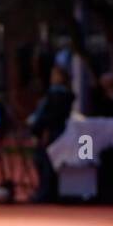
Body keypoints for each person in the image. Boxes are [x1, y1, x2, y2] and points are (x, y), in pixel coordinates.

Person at [27, 65, 75, 203]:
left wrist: (38, 129)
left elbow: (47, 114)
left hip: (51, 131)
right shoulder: (64, 93)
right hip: (54, 131)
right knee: (46, 162)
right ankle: (47, 192)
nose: (52, 77)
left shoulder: (56, 93)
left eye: (55, 74)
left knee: (45, 162)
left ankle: (45, 193)